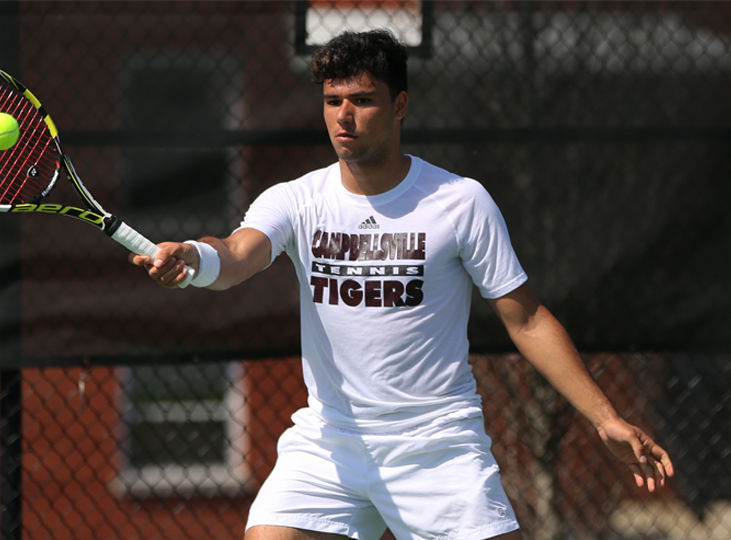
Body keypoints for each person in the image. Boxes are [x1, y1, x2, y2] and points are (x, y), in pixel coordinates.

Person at [130, 29, 673, 540]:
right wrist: (194, 259)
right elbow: (236, 254)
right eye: (332, 100)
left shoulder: (460, 202)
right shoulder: (295, 200)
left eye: (362, 100)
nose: (344, 116)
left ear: (400, 106)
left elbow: (526, 318)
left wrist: (605, 418)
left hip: (436, 444)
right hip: (329, 442)